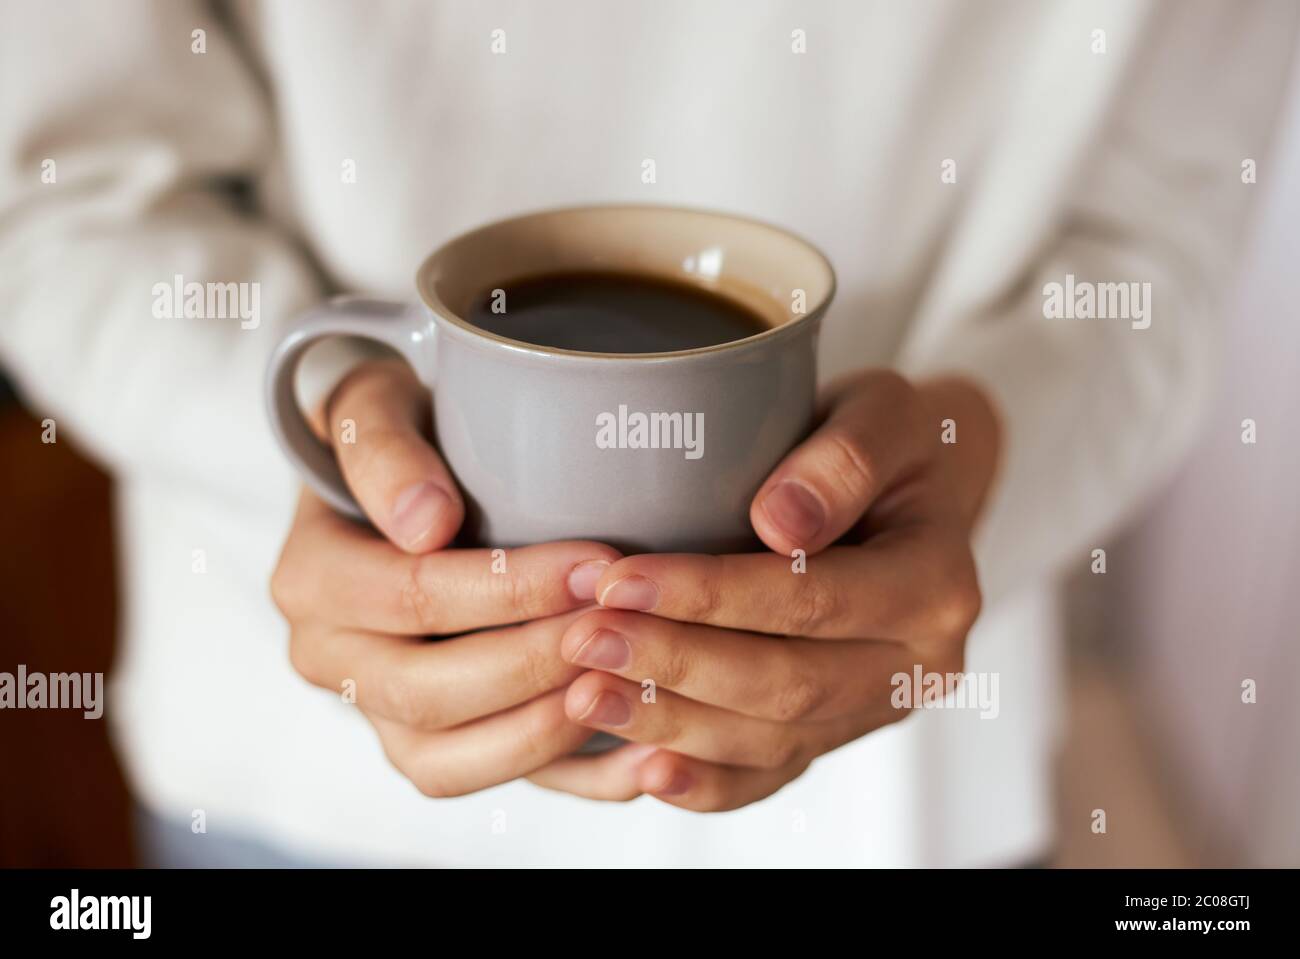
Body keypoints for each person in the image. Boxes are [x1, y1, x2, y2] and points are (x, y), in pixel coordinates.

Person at [1, 0, 1294, 867]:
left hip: (899, 790)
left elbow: (1152, 241)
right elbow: (61, 192)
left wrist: (982, 453)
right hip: (308, 788)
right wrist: (329, 424)